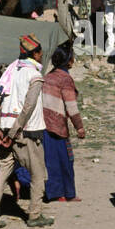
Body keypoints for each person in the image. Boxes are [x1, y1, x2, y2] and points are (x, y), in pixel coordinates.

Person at [0, 35, 53, 229]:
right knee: (38, 174)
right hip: (26, 132)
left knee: (1, 173)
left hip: (6, 128)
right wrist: (14, 133)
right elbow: (28, 107)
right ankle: (34, 214)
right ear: (36, 53)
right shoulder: (34, 75)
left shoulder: (9, 70)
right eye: (40, 53)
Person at [41, 43, 85, 203]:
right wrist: (79, 127)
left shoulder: (48, 76)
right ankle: (69, 193)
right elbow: (71, 106)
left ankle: (56, 193)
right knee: (66, 160)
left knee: (51, 160)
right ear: (70, 61)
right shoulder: (65, 79)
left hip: (44, 124)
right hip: (58, 125)